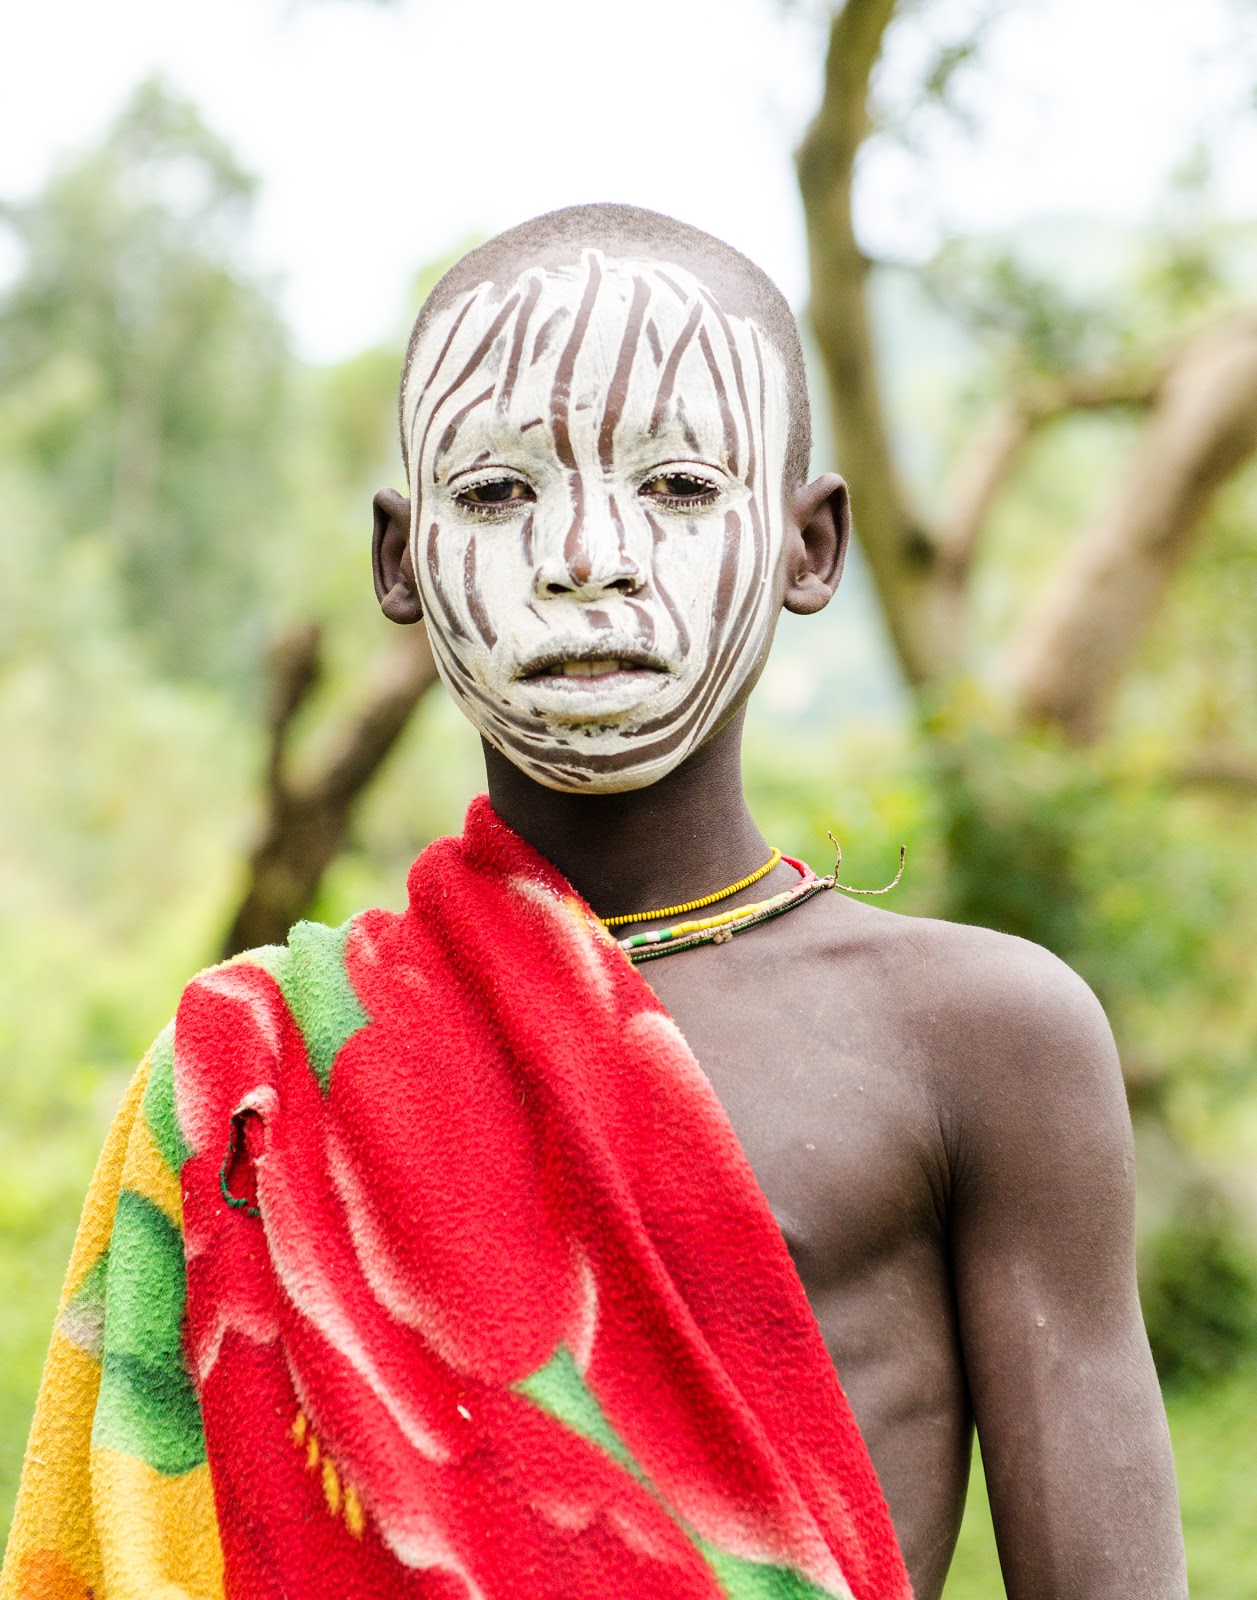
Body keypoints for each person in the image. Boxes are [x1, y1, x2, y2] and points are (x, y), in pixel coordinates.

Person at [3, 205, 1186, 1600]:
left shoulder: (980, 1036)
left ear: (811, 547)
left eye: (680, 487)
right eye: (497, 492)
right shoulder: (254, 1070)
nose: (583, 554)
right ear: (399, 559)